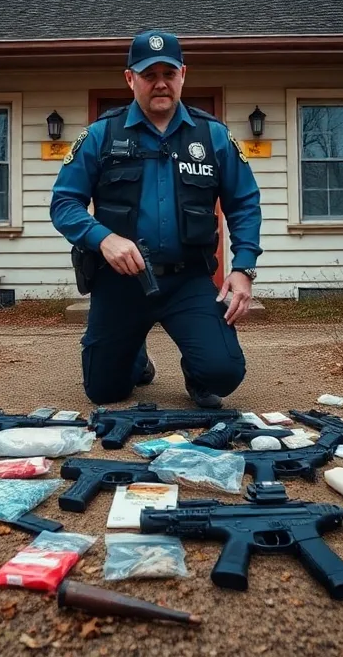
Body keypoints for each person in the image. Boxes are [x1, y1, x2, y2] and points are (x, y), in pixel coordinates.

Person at [50, 29, 263, 409]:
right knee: (105, 391)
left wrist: (244, 267)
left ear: (183, 74)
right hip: (120, 281)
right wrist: (103, 238)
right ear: (130, 78)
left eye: (169, 74)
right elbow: (64, 203)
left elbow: (244, 203)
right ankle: (137, 358)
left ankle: (196, 371)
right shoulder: (101, 135)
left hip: (189, 280)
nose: (160, 84)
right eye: (149, 75)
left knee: (223, 373)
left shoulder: (212, 136)